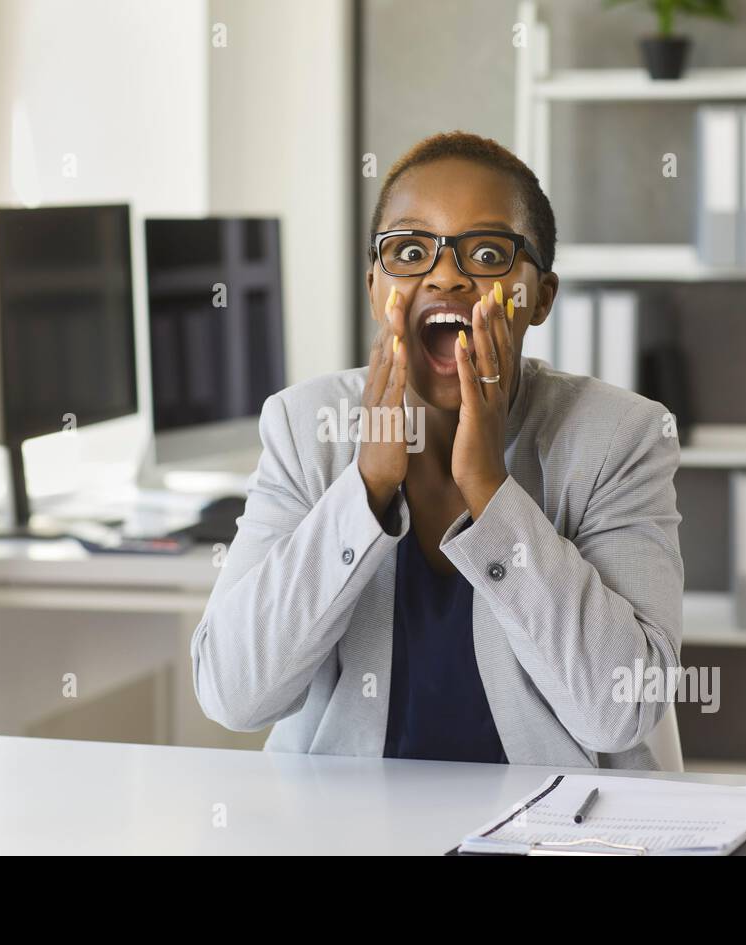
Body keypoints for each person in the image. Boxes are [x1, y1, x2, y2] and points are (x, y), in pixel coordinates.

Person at [192, 130, 683, 769]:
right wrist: (364, 488)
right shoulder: (305, 427)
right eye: (411, 249)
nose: (447, 274)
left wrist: (491, 492)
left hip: (555, 827)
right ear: (375, 286)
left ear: (541, 297)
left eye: (487, 252)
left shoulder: (620, 437)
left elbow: (621, 712)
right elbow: (234, 694)